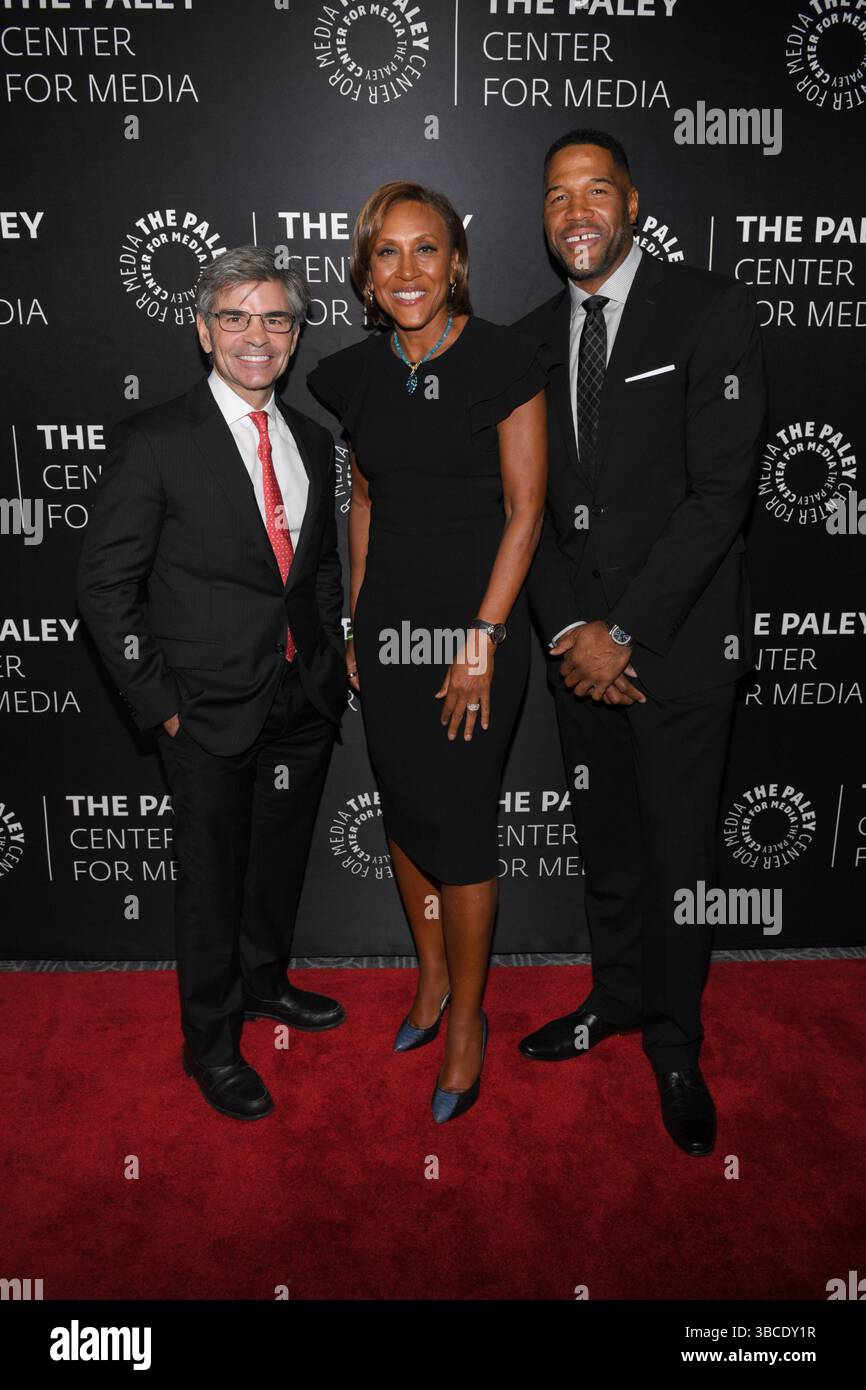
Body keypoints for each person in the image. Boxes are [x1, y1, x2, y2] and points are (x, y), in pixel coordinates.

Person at [514, 130, 767, 1156]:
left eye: (594, 191)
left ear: (629, 203)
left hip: (676, 650)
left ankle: (674, 1040)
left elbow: (719, 498)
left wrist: (622, 633)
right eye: (556, 195)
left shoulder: (709, 310)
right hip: (580, 654)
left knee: (676, 856)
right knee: (608, 852)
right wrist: (575, 631)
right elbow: (520, 510)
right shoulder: (528, 340)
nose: (575, 211)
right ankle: (612, 999)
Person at [77, 246, 349, 1122]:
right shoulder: (156, 440)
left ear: (297, 334)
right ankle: (211, 1042)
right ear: (203, 331)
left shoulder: (311, 438)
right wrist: (157, 704)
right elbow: (105, 589)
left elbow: (315, 571)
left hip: (300, 700)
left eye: (276, 318)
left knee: (275, 865)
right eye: (235, 317)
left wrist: (330, 658)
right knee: (212, 882)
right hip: (202, 712)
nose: (256, 336)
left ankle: (266, 986)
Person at [307, 182, 548, 1123]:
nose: (407, 270)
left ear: (456, 262)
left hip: (476, 628)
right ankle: (433, 975)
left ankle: (469, 1023)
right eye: (387, 253)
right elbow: (363, 500)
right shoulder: (356, 373)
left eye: (426, 250)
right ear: (366, 272)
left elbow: (526, 513)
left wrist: (483, 641)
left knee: (462, 824)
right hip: (393, 627)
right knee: (406, 812)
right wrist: (362, 621)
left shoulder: (504, 359)